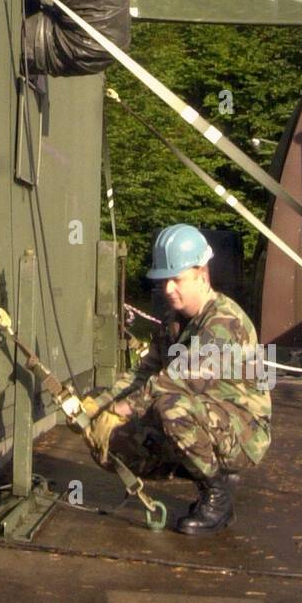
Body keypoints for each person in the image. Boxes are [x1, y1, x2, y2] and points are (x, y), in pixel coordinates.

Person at [82, 224, 271, 535]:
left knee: (172, 407)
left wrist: (119, 410)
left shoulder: (225, 322)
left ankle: (218, 498)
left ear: (202, 273)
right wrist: (95, 408)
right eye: (163, 281)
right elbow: (143, 372)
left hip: (246, 429)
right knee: (115, 443)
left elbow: (175, 382)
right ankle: (201, 467)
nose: (169, 289)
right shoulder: (173, 323)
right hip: (204, 418)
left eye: (177, 279)